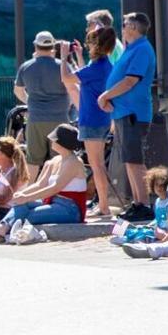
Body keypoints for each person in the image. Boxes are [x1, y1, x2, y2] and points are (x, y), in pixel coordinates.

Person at [0, 124, 89, 239]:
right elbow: (40, 184)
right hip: (53, 203)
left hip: (69, 209)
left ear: (61, 143)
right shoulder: (55, 160)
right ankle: (1, 227)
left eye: (54, 139)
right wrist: (22, 195)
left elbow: (55, 188)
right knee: (21, 205)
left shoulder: (74, 162)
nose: (51, 141)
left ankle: (0, 230)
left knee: (27, 214)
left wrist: (27, 197)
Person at [98, 12, 159, 220]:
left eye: (125, 24)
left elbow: (130, 81)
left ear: (133, 27)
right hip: (124, 112)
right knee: (129, 160)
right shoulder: (131, 48)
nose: (122, 28)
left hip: (134, 112)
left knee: (135, 159)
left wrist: (106, 95)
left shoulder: (141, 49)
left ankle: (143, 203)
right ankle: (137, 202)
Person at [68, 26, 117, 219]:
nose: (88, 46)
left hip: (92, 121)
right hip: (100, 120)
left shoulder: (96, 67)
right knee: (98, 165)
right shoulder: (104, 66)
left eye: (90, 43)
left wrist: (64, 57)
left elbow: (67, 78)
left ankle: (104, 205)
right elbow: (84, 75)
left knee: (97, 166)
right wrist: (79, 56)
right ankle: (102, 203)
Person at [13, 31, 72, 170]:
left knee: (33, 161)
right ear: (53, 46)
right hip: (60, 119)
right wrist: (66, 105)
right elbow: (73, 90)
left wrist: (30, 103)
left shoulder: (26, 67)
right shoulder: (62, 66)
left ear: (35, 46)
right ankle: (56, 191)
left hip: (36, 119)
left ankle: (29, 191)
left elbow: (18, 91)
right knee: (59, 161)